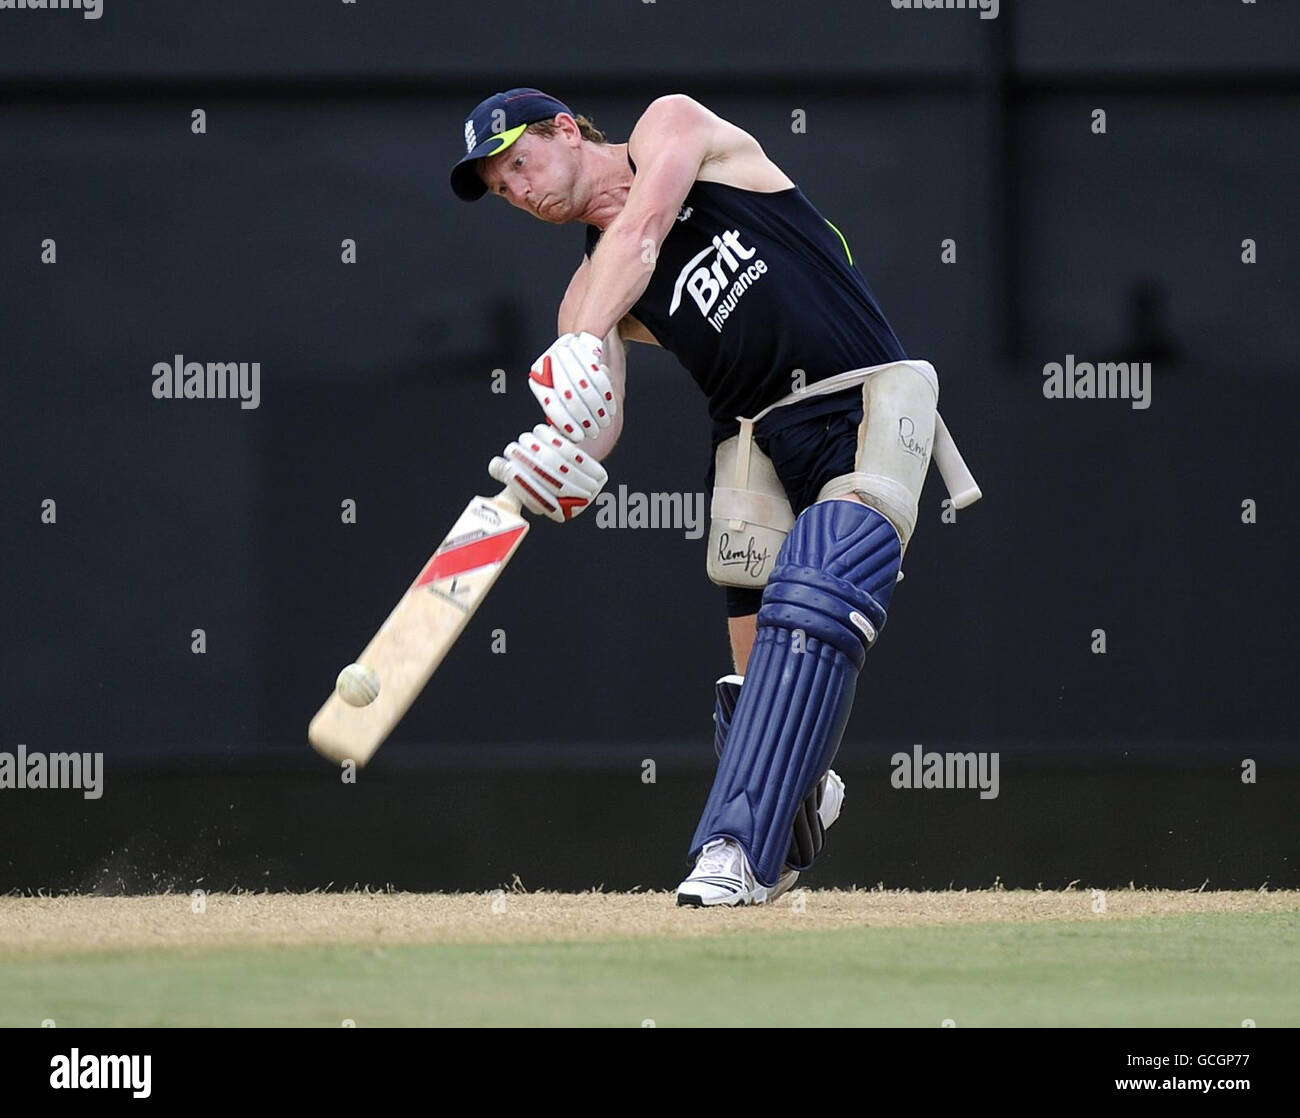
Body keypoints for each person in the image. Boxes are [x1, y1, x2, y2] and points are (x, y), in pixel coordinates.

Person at [450, 87, 969, 905]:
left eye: (519, 162)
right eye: (501, 187)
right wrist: (558, 461)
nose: (518, 190)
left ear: (564, 129)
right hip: (753, 447)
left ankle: (733, 850)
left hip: (860, 398)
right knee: (759, 690)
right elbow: (597, 423)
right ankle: (797, 803)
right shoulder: (582, 297)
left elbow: (646, 230)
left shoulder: (674, 128)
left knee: (821, 593)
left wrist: (581, 342)